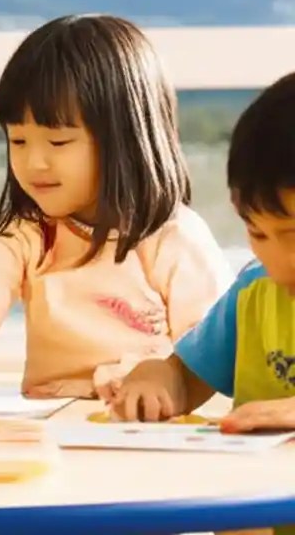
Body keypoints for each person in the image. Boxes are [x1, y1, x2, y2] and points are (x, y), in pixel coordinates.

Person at [0, 15, 233, 402]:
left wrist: (167, 384)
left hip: (148, 429)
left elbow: (211, 349)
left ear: (125, 139)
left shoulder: (173, 238)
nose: (34, 162)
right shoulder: (28, 234)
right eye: (18, 141)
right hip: (51, 427)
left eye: (58, 142)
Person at [116, 72, 295, 435]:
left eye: (292, 236)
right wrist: (157, 380)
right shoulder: (253, 291)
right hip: (256, 488)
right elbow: (184, 377)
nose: (277, 263)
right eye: (257, 232)